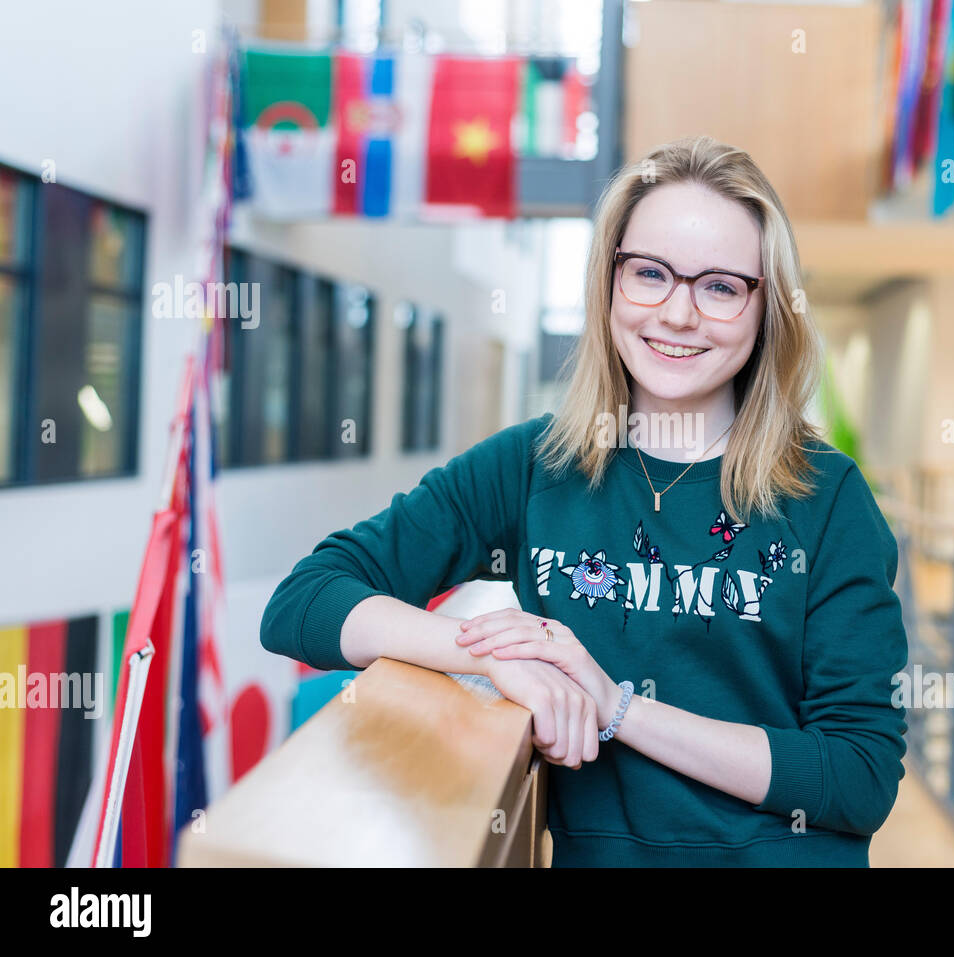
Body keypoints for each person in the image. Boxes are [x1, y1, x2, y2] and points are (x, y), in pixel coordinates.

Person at [260, 134, 909, 867]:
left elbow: (858, 776)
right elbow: (303, 602)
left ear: (767, 310)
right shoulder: (539, 465)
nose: (678, 312)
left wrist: (618, 707)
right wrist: (496, 660)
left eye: (721, 286)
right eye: (651, 274)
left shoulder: (828, 500)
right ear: (610, 283)